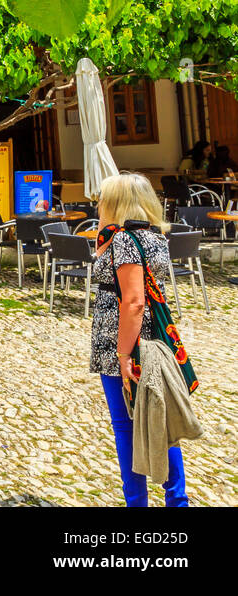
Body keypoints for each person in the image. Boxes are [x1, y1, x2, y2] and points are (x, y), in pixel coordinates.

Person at [90, 173, 188, 507]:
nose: (98, 204)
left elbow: (133, 301)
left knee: (126, 425)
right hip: (149, 338)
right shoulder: (154, 236)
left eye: (103, 198)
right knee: (159, 418)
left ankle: (139, 504)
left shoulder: (123, 240)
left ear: (115, 202)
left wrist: (122, 355)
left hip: (124, 339)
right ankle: (177, 500)